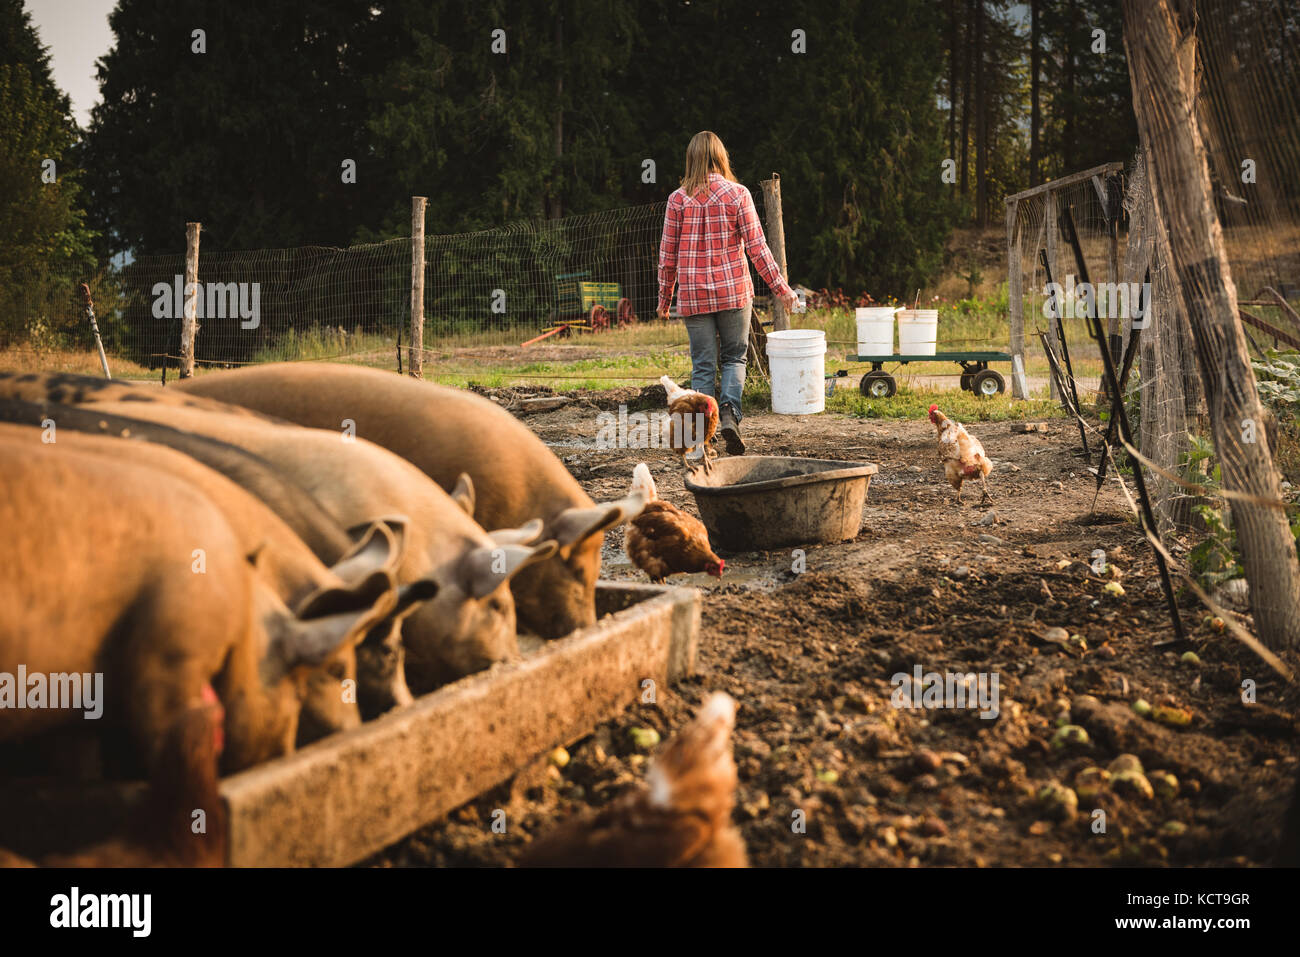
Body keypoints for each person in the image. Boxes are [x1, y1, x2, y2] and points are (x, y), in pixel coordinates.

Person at [656, 131, 798, 454]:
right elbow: (758, 249)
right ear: (721, 158)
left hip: (694, 298)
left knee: (703, 366)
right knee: (735, 357)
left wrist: (664, 300)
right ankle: (730, 416)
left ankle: (700, 438)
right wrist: (782, 289)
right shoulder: (738, 195)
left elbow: (667, 257)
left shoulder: (677, 200)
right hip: (733, 293)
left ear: (690, 159)